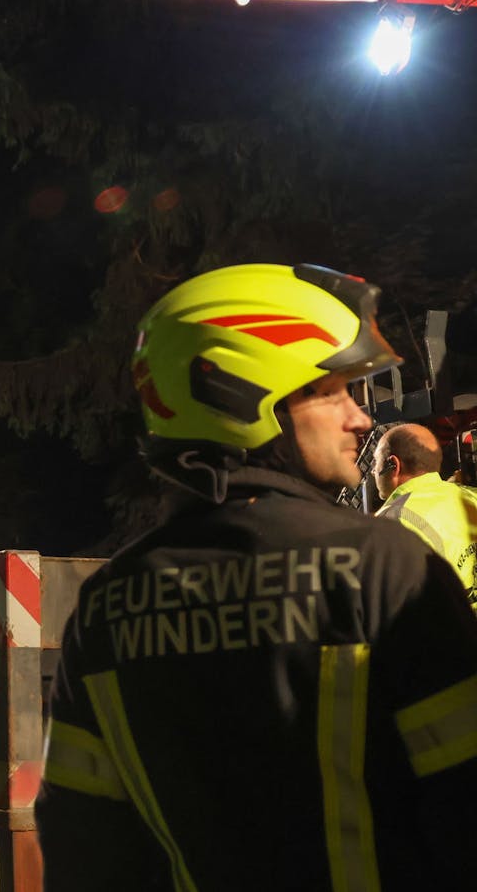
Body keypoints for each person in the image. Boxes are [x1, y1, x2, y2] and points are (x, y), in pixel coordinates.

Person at [35, 263, 477, 890]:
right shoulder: (386, 567)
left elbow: (86, 855)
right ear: (240, 396)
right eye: (333, 392)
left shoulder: (105, 610)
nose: (358, 419)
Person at [372, 422, 477, 601]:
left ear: (393, 465)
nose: (374, 470)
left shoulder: (389, 524)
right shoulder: (470, 495)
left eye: (376, 461)